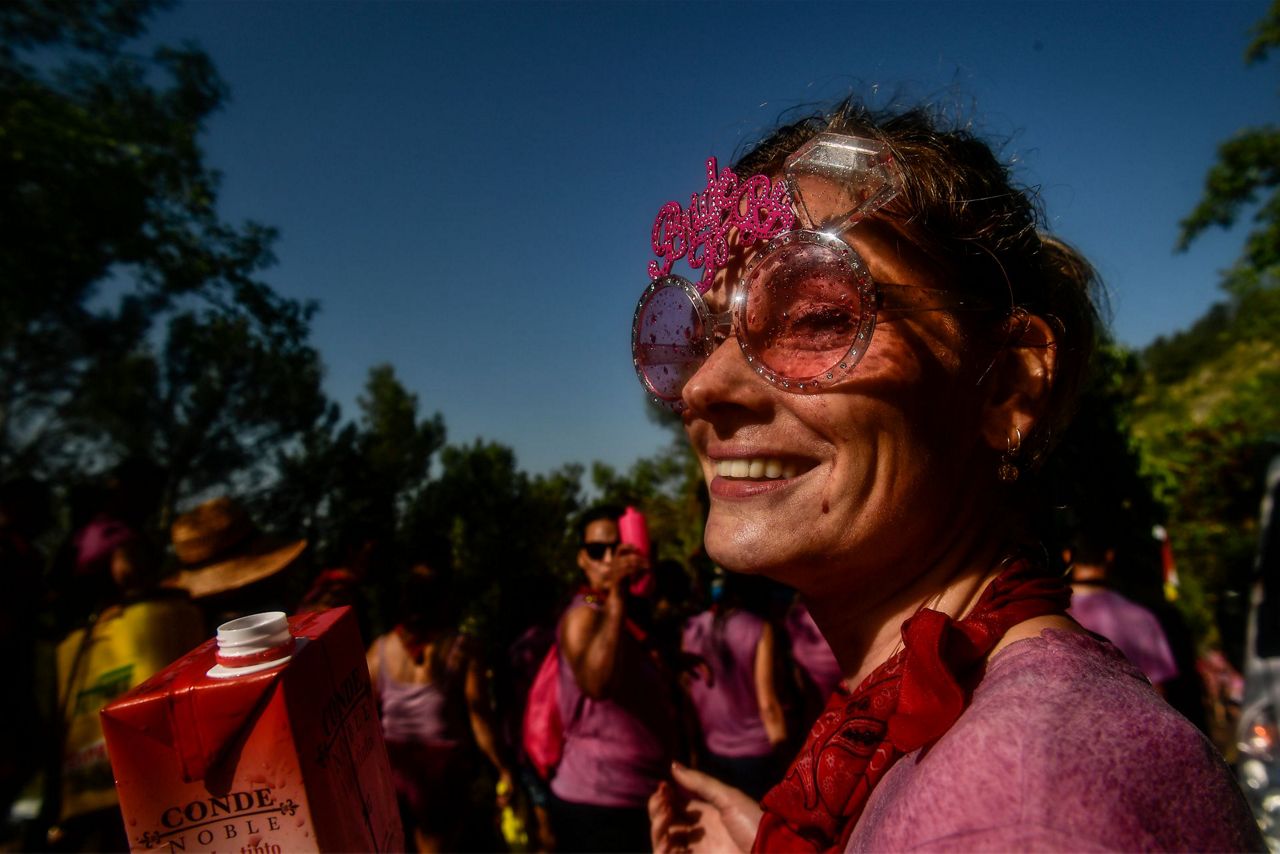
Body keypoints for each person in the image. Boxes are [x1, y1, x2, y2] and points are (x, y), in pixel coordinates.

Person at [638, 98, 1262, 851]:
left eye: (816, 317)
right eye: (700, 335)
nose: (705, 386)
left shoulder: (1028, 801)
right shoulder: (960, 753)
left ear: (1006, 386)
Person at [549, 505, 677, 852]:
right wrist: (618, 595)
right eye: (596, 550)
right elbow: (597, 684)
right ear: (581, 559)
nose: (608, 558)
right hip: (597, 804)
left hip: (641, 797)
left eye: (618, 547)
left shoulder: (624, 615)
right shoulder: (583, 614)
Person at [366, 561, 513, 853]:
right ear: (445, 599)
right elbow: (479, 716)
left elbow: (361, 716)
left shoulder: (380, 649)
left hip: (391, 765)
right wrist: (503, 768)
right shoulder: (462, 647)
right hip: (441, 770)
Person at [681, 572, 787, 800]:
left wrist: (692, 751)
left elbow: (688, 695)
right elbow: (767, 704)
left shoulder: (693, 628)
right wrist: (785, 754)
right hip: (757, 756)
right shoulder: (759, 628)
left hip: (711, 750)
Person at [1067, 536, 1179, 693]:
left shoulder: (1055, 613)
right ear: (1109, 556)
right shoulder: (1140, 616)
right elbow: (1157, 686)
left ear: (1066, 556)